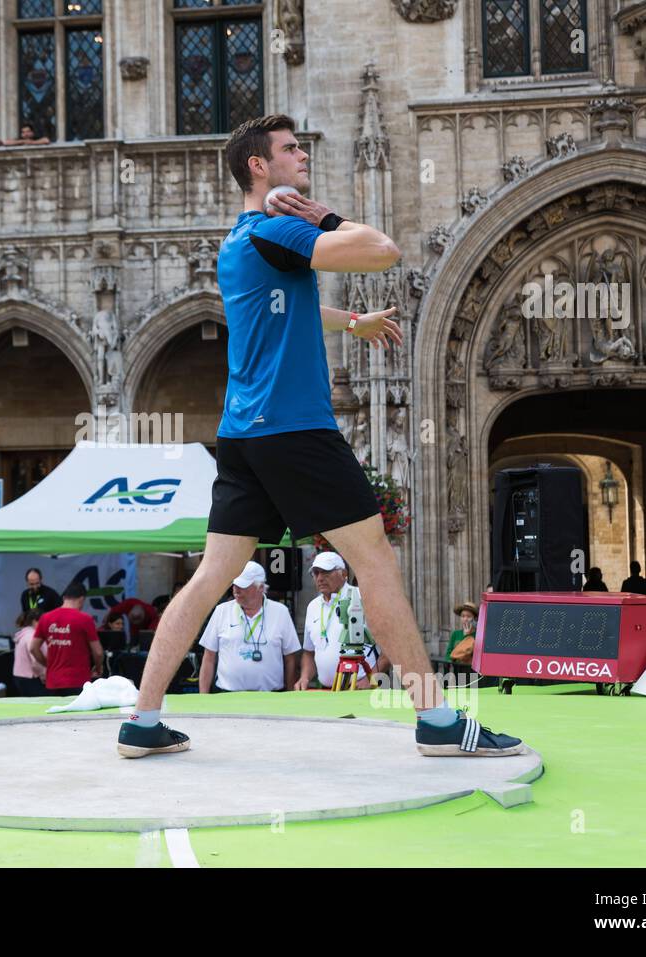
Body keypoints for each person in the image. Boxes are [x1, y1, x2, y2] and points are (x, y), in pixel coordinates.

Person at [117, 113, 524, 759]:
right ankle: (438, 719)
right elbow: (383, 249)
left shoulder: (239, 243)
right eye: (289, 149)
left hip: (243, 435)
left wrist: (353, 320)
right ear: (259, 166)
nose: (301, 155)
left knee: (211, 575)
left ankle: (141, 720)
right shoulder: (280, 228)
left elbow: (283, 307)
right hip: (296, 428)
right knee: (377, 562)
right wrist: (327, 217)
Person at [198, 561, 300, 693]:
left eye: (242, 585)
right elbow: (208, 657)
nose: (236, 589)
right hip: (228, 696)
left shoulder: (281, 612)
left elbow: (290, 658)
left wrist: (290, 695)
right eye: (235, 584)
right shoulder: (221, 611)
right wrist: (203, 696)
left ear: (261, 587)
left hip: (271, 697)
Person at [295, 551, 387, 690]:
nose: (320, 578)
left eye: (326, 572)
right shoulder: (312, 606)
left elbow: (390, 648)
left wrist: (371, 679)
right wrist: (305, 677)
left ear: (344, 574)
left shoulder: (363, 598)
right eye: (316, 573)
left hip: (359, 689)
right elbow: (309, 652)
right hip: (326, 691)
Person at [30, 583, 103, 696]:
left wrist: (48, 665)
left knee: (55, 713)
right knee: (78, 714)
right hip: (78, 681)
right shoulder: (85, 619)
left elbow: (33, 648)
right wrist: (98, 667)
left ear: (64, 598)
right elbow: (98, 652)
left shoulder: (46, 618)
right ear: (82, 599)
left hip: (53, 681)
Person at [12, 608, 46, 696]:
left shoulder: (23, 634)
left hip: (19, 677)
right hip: (31, 678)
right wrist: (43, 675)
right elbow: (35, 660)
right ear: (35, 621)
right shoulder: (32, 636)